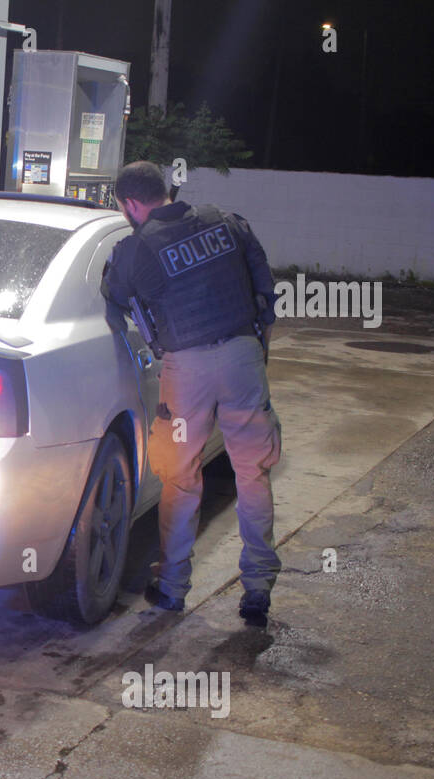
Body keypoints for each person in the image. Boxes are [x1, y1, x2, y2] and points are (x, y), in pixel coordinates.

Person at [100, 160, 281, 626]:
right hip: (243, 355)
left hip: (187, 371)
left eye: (122, 207)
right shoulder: (226, 221)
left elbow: (113, 296)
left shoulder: (136, 248)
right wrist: (256, 349)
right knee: (252, 473)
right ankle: (258, 585)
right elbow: (266, 290)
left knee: (180, 476)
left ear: (132, 204)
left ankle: (173, 587)